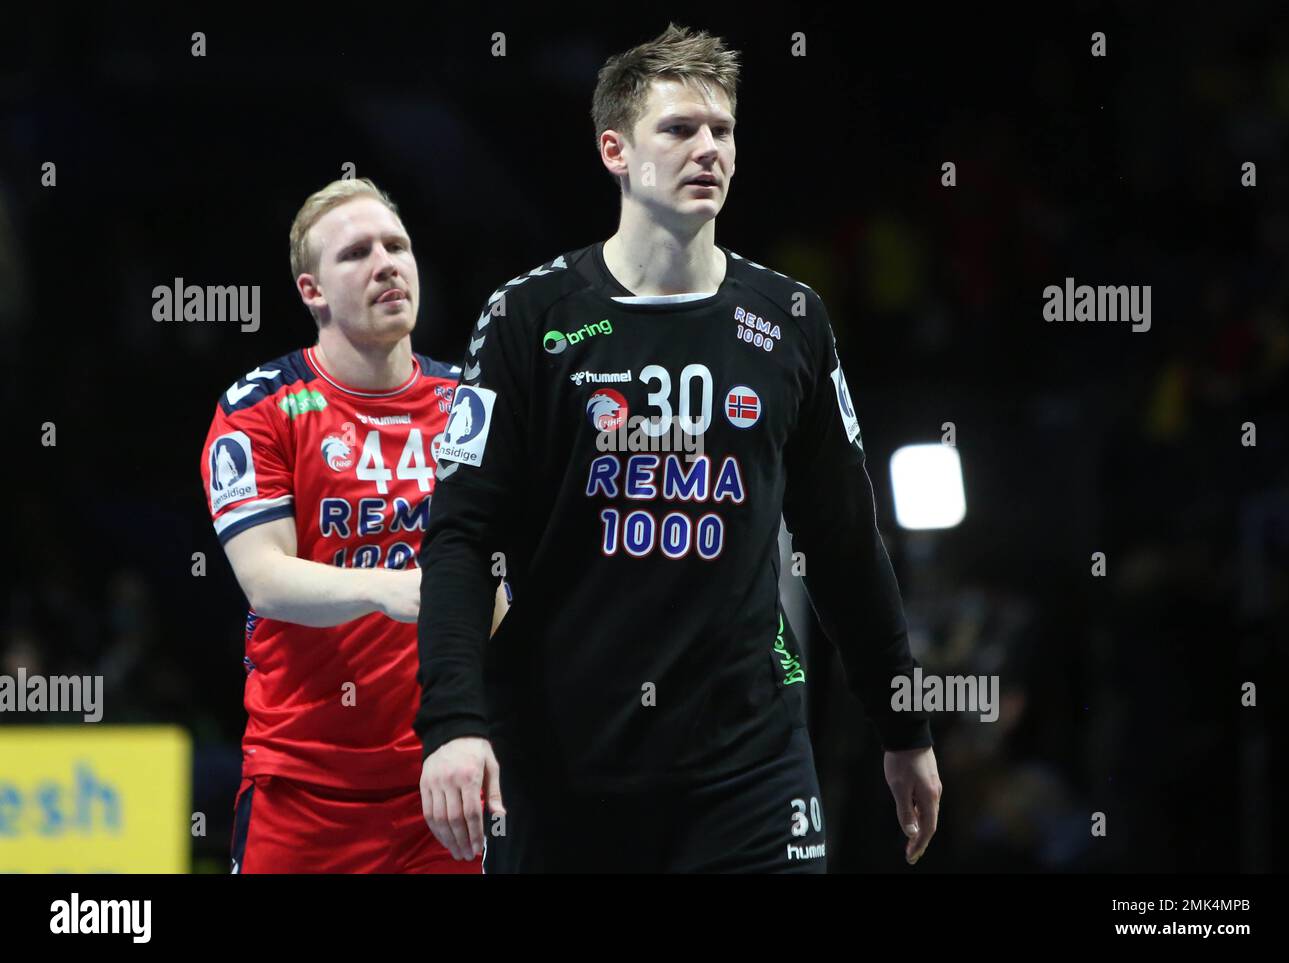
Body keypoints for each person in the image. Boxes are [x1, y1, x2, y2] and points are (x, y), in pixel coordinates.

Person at [415, 24, 940, 873]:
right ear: (614, 149)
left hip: (749, 762)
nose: (708, 149)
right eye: (680, 129)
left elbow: (844, 541)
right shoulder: (527, 318)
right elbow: (460, 539)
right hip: (564, 760)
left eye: (722, 130)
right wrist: (452, 724)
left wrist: (903, 723)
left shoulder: (791, 321)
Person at [199, 177, 505, 873]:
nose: (387, 263)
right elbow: (266, 579)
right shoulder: (259, 409)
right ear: (312, 290)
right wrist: (392, 589)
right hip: (302, 785)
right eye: (357, 252)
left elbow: (504, 576)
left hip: (444, 776)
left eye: (397, 245)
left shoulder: (470, 406)